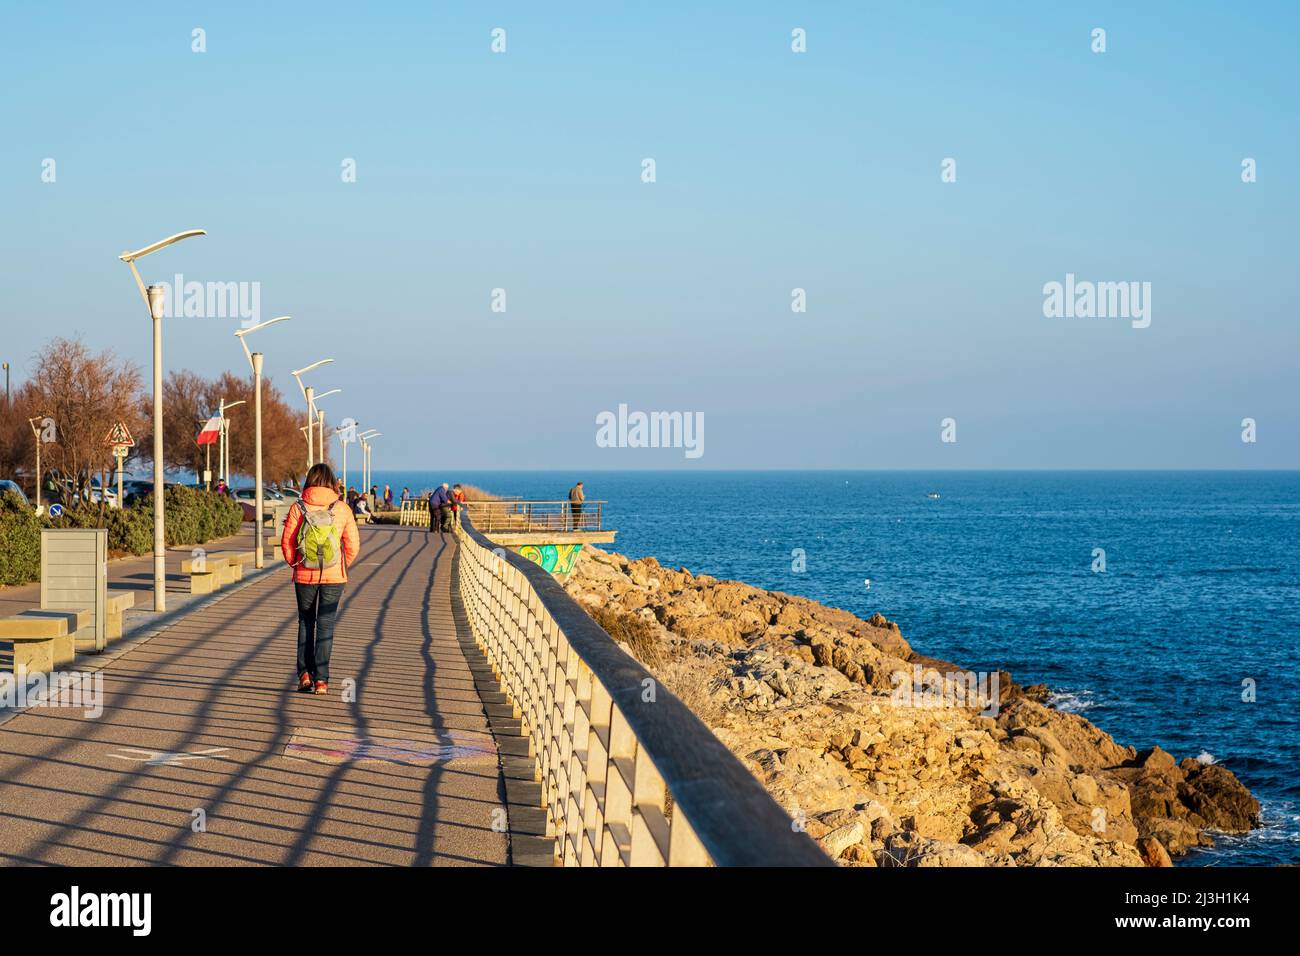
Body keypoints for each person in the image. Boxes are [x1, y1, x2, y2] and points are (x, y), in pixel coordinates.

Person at [281, 462, 360, 696]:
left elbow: (288, 541)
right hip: (334, 576)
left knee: (306, 622)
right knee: (326, 624)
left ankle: (305, 674)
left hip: (304, 574)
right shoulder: (342, 508)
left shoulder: (298, 507)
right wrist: (341, 564)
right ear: (331, 481)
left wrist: (296, 563)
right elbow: (353, 545)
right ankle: (322, 681)